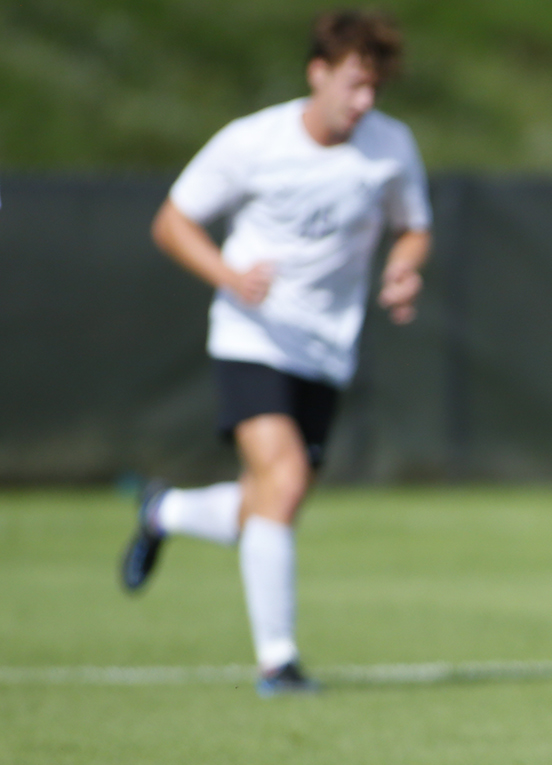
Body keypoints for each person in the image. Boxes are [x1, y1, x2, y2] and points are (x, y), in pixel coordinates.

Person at [123, 9, 431, 696]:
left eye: (374, 88)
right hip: (250, 337)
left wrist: (403, 269)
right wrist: (230, 276)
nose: (364, 101)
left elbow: (413, 228)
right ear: (317, 73)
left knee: (274, 500)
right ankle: (278, 663)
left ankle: (163, 512)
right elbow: (172, 222)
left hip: (327, 348)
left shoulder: (390, 147)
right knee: (284, 480)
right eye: (354, 84)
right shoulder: (253, 142)